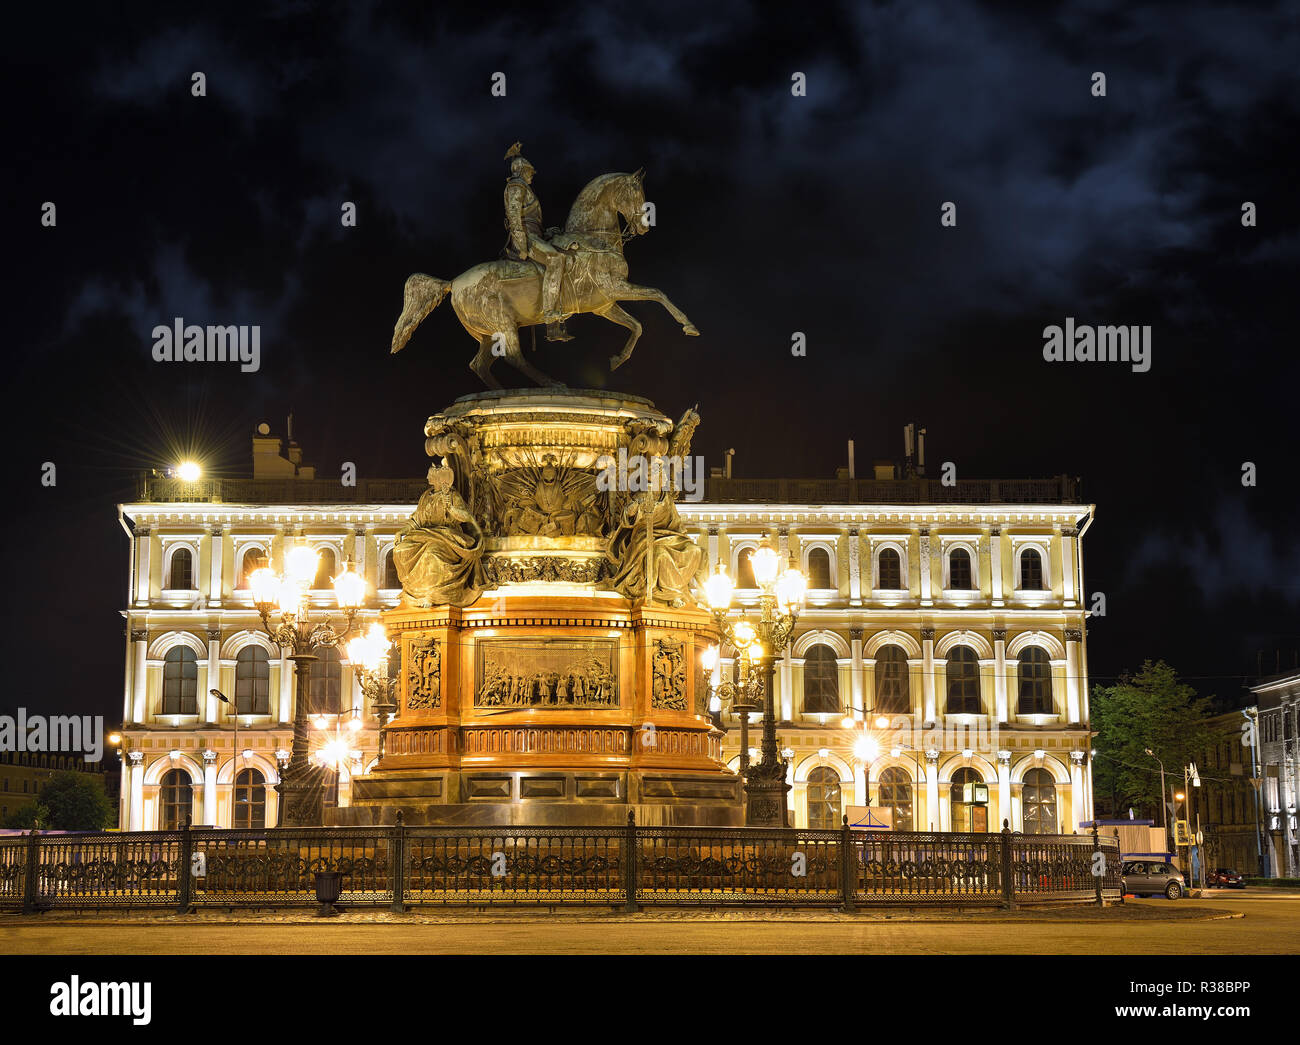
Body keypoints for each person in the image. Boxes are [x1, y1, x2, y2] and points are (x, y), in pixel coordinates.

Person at [503, 142, 573, 342]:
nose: (532, 174)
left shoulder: (524, 187)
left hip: (535, 235)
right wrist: (521, 244)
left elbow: (532, 220)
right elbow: (515, 216)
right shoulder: (516, 186)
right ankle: (550, 313)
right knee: (556, 258)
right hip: (526, 237)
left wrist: (547, 232)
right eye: (530, 171)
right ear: (523, 170)